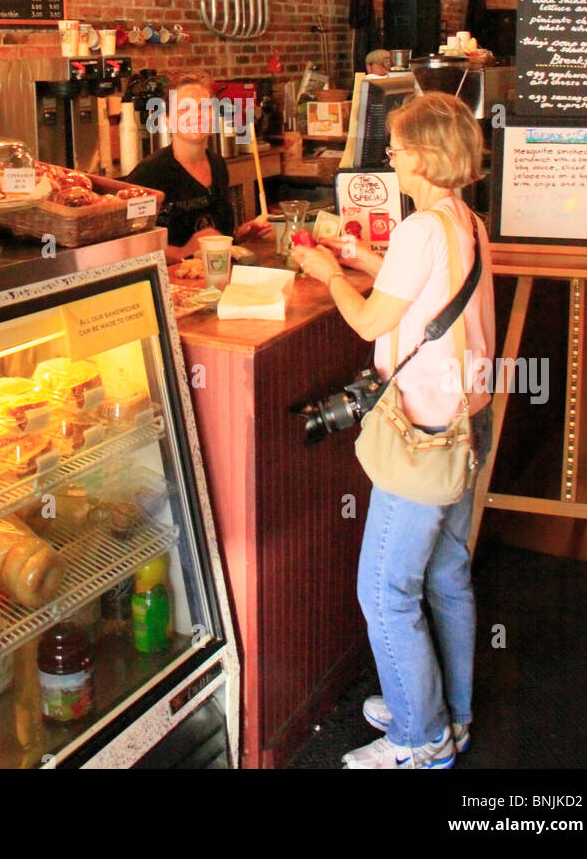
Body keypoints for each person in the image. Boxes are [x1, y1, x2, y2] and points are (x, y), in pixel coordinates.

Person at [293, 91, 495, 771]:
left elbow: (371, 323)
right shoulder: (464, 222)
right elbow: (430, 293)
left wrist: (328, 273)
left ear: (427, 156)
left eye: (399, 148)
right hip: (469, 421)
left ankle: (420, 737)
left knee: (384, 592)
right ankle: (449, 714)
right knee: (447, 575)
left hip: (424, 434)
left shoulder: (419, 230)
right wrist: (361, 261)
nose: (392, 158)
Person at [127, 73, 270, 265]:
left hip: (216, 272)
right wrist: (183, 252)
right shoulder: (149, 173)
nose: (197, 115)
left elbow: (218, 233)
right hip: (173, 277)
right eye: (185, 108)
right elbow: (130, 244)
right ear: (167, 120)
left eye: (205, 107)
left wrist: (240, 235)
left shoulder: (218, 165)